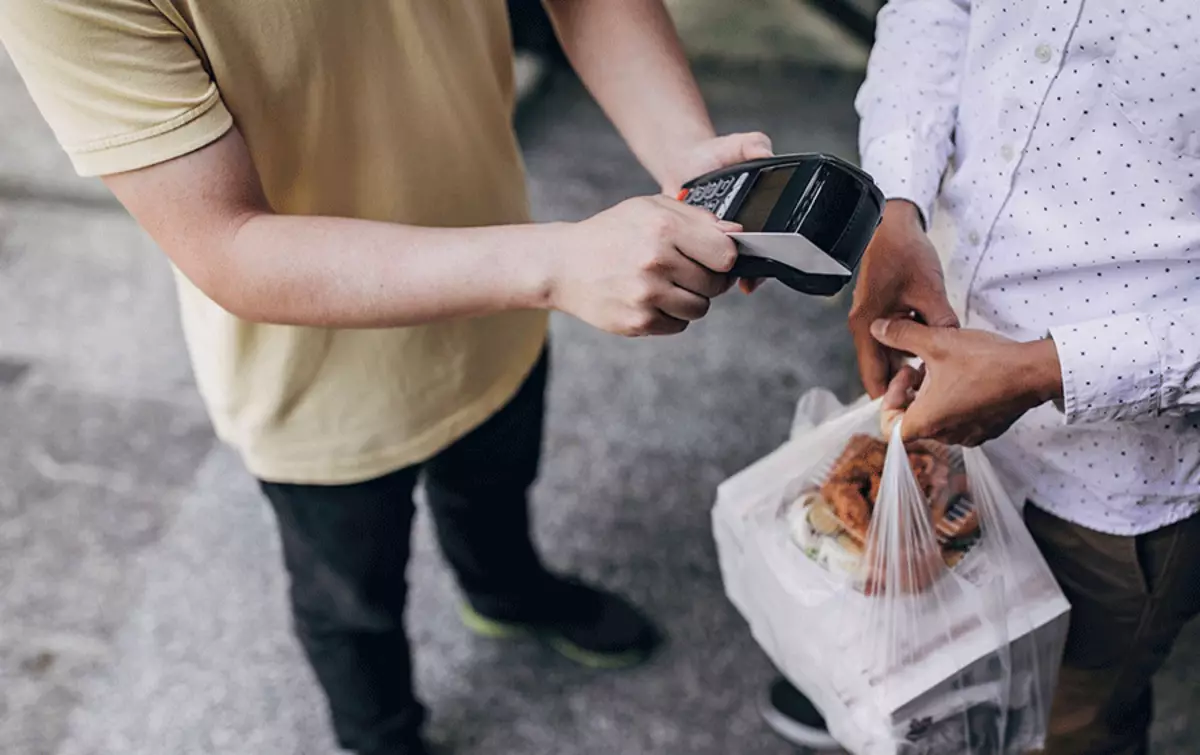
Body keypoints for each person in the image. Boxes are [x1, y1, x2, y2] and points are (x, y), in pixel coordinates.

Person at [0, 2, 775, 753]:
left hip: (501, 286)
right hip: (316, 377)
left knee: (498, 489)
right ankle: (381, 736)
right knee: (351, 603)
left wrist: (685, 153)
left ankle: (507, 593)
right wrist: (555, 264)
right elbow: (225, 240)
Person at [761, 1, 1200, 753]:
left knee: (1071, 714)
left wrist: (1042, 369)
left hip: (1116, 470)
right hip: (941, 334)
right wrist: (896, 203)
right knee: (928, 633)